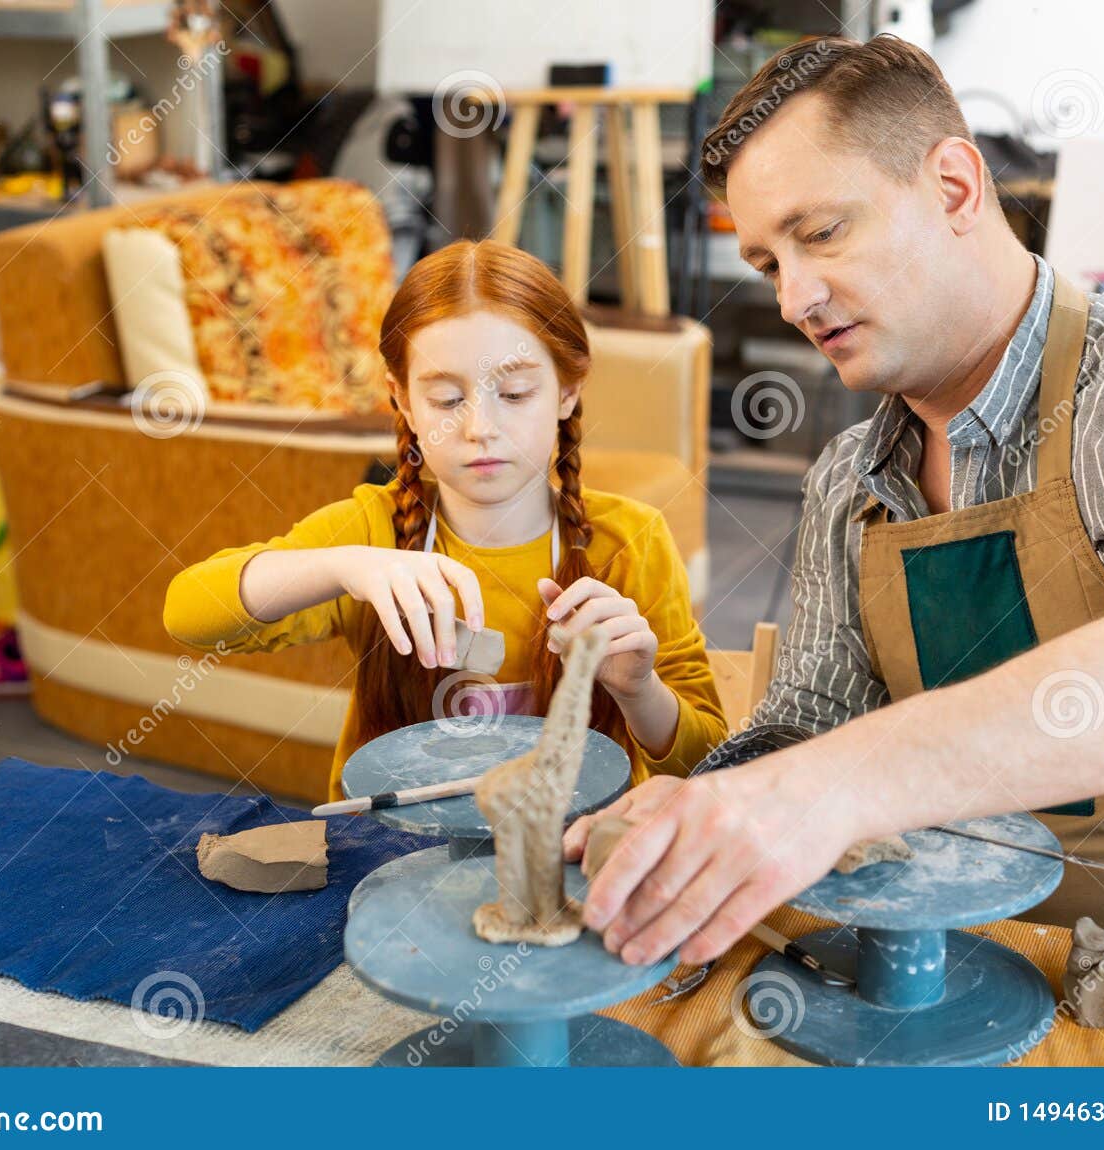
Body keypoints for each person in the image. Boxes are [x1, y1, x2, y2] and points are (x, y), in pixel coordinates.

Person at [567, 35, 1104, 983]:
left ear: (958, 188)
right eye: (767, 263)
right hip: (1007, 972)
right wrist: (685, 817)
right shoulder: (852, 480)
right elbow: (805, 730)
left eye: (822, 234)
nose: (794, 298)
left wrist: (830, 786)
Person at [164, 240, 725, 800]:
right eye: (447, 399)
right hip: (389, 857)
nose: (480, 427)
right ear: (403, 400)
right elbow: (187, 613)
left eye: (513, 393)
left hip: (570, 858)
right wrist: (342, 566)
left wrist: (638, 690)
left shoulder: (630, 541)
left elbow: (708, 762)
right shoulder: (375, 533)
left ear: (567, 391)